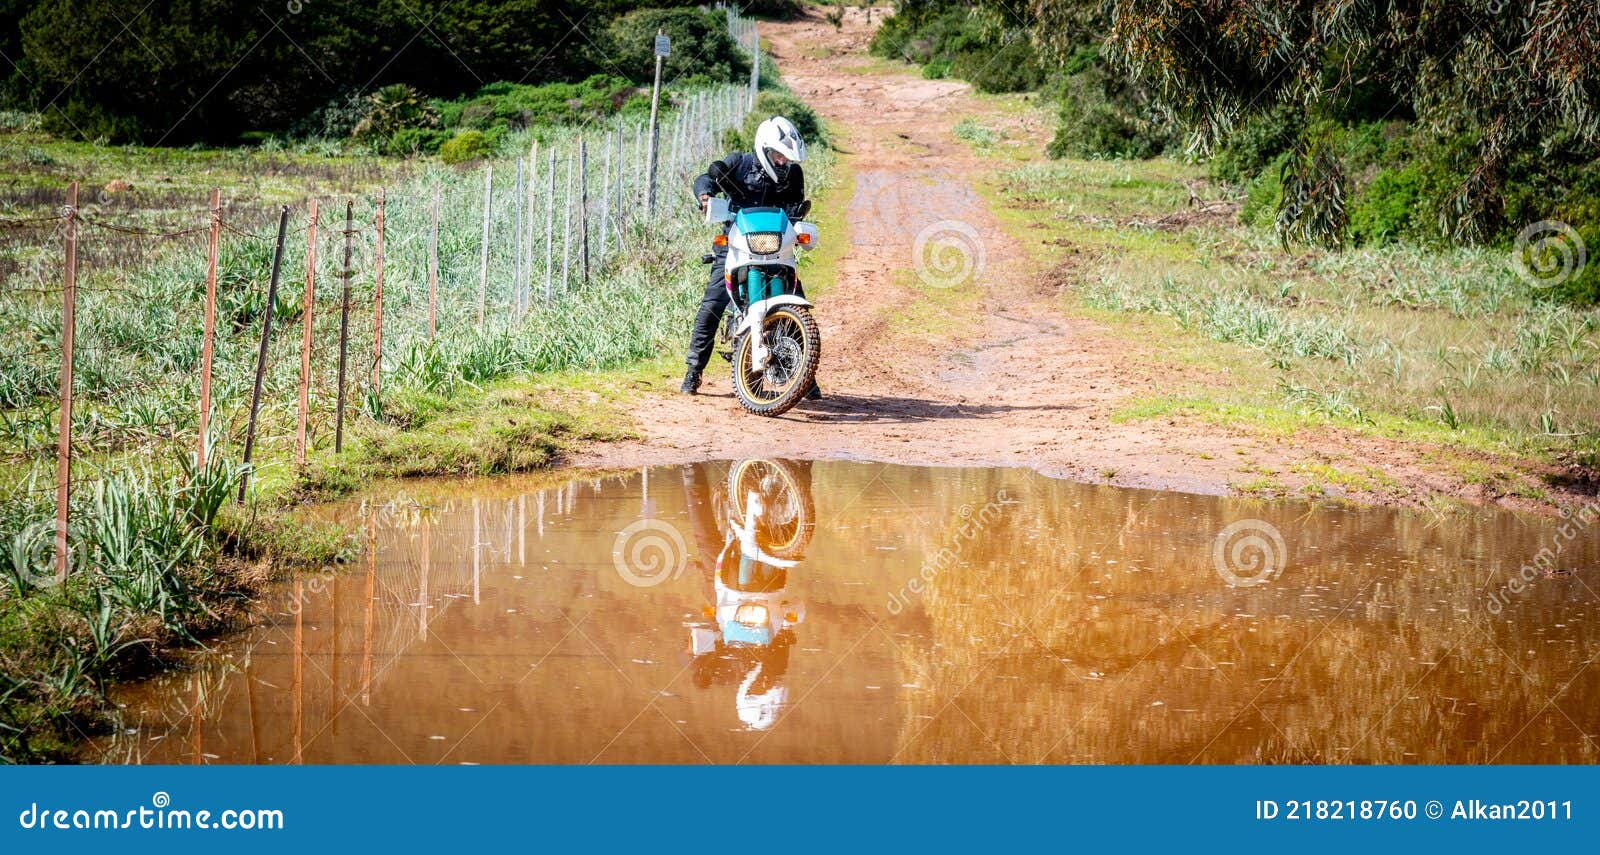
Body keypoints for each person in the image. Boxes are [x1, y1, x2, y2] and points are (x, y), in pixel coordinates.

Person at [681, 116, 821, 399]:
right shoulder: (740, 163)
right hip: (736, 244)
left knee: (799, 298)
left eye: (787, 157)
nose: (783, 162)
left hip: (775, 246)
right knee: (713, 302)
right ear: (764, 149)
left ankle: (805, 375)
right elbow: (705, 179)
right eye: (779, 155)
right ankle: (694, 371)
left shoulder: (793, 175)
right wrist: (706, 196)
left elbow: (795, 209)